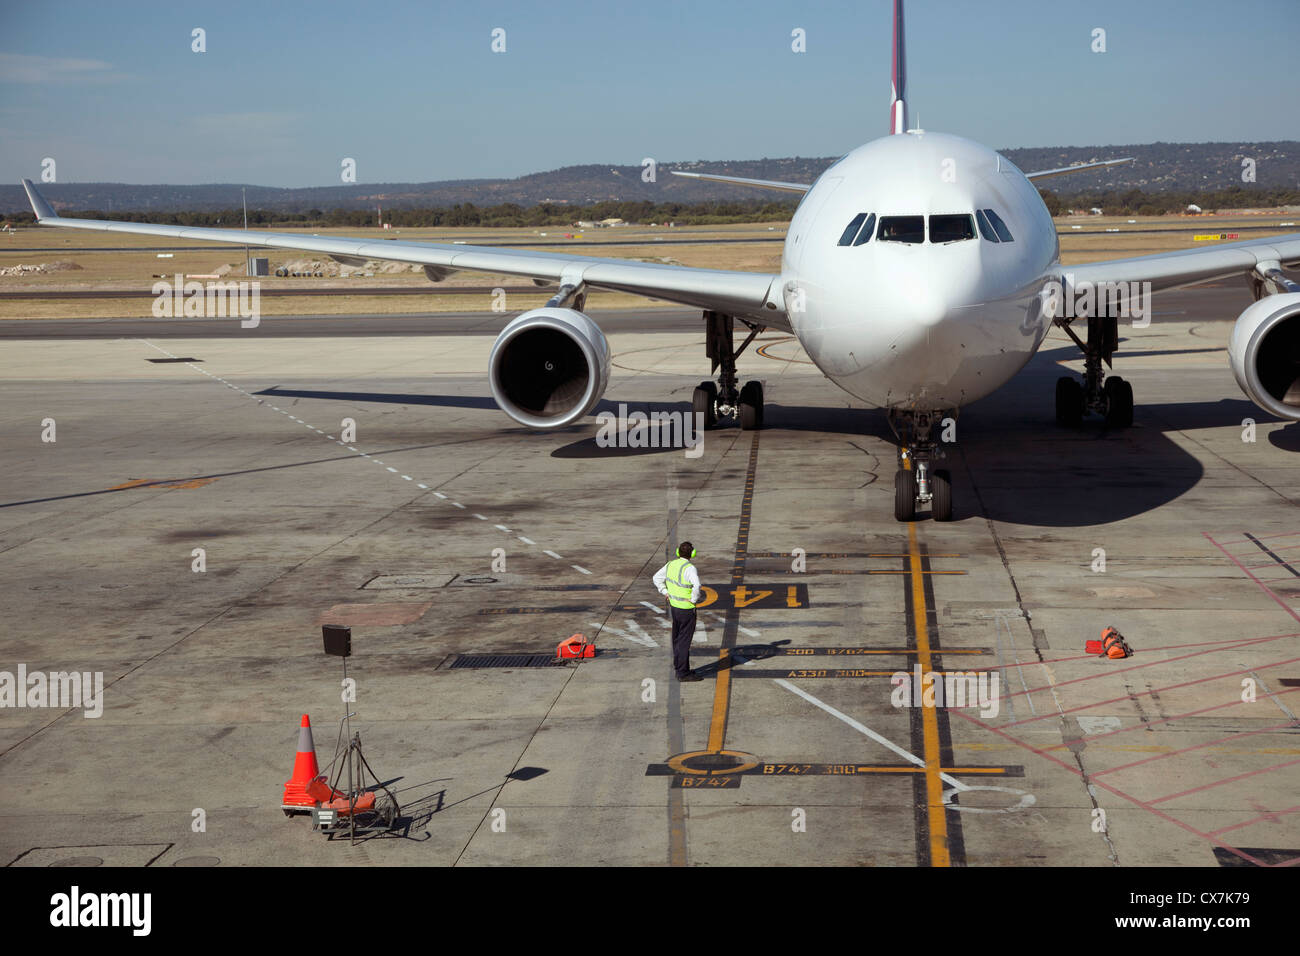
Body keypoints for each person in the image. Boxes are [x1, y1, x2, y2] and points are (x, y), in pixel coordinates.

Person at [653, 542, 704, 681]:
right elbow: (697, 585)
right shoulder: (690, 568)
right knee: (684, 641)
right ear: (692, 553)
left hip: (674, 608)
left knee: (677, 638)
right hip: (687, 610)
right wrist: (694, 599)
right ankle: (682, 673)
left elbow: (656, 578)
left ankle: (680, 666)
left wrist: (665, 592)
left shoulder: (670, 564)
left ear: (678, 552)